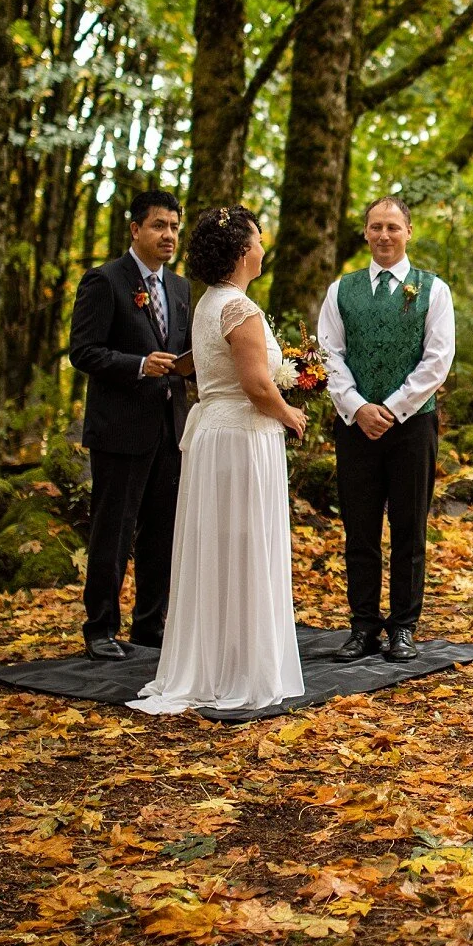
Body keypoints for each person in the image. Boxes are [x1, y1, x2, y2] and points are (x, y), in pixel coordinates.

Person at [129, 207, 309, 714]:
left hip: (214, 433)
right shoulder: (240, 309)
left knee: (218, 546)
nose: (263, 247)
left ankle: (216, 661)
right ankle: (241, 669)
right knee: (245, 543)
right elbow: (256, 386)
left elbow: (201, 367)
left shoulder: (209, 302)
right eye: (258, 239)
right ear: (242, 250)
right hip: (242, 439)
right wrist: (291, 414)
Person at [316, 196, 456, 664]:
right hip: (355, 427)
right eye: (376, 226)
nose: (384, 235)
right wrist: (358, 407)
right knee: (359, 529)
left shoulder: (434, 290)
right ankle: (363, 626)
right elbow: (329, 355)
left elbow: (437, 360)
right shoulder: (341, 290)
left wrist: (392, 409)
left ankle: (403, 628)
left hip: (413, 426)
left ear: (408, 232)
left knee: (409, 528)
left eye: (393, 227)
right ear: (365, 233)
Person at [68, 191, 193, 661]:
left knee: (162, 533)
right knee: (113, 532)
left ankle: (149, 626)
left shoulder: (179, 288)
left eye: (174, 227)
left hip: (171, 428)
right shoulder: (104, 281)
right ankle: (100, 627)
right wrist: (140, 365)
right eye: (159, 225)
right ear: (136, 229)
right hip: (120, 430)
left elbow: (183, 348)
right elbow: (84, 351)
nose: (169, 235)